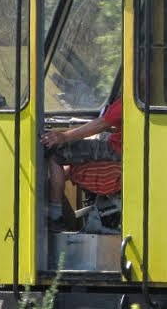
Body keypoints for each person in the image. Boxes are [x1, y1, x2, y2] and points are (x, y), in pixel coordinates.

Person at [41, 94, 121, 231]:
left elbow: (102, 123)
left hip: (117, 148)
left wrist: (64, 136)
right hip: (121, 143)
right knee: (81, 147)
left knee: (56, 153)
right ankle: (55, 182)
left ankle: (55, 216)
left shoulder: (132, 96)